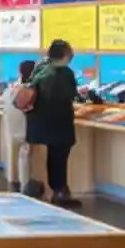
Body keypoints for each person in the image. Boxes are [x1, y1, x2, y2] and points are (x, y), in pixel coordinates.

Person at [25, 39, 81, 207]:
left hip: (39, 123)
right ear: (65, 54)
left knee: (48, 157)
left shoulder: (41, 69)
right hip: (58, 122)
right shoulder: (65, 73)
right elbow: (70, 95)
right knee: (59, 157)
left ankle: (45, 189)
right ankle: (60, 191)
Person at [1, 59, 36, 192]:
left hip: (12, 128)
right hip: (25, 128)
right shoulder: (30, 90)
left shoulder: (11, 89)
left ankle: (13, 180)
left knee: (14, 152)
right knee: (25, 153)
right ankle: (25, 184)